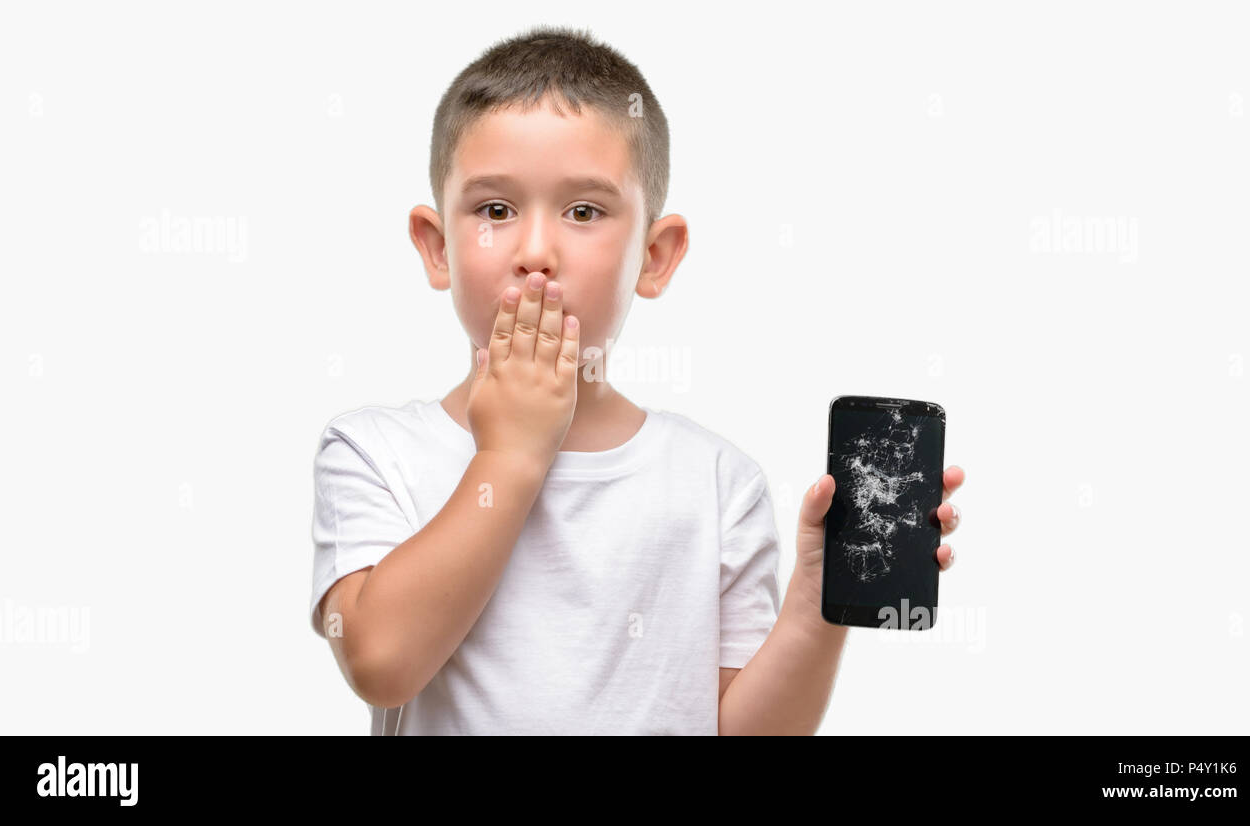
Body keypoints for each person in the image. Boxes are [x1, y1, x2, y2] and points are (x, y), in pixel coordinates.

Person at [308, 25, 966, 735]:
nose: (536, 251)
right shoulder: (373, 450)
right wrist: (511, 455)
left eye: (583, 211)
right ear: (437, 249)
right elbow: (379, 662)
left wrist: (817, 600)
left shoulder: (717, 482)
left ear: (656, 256)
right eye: (495, 210)